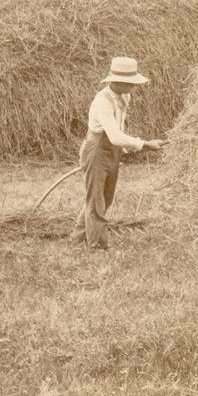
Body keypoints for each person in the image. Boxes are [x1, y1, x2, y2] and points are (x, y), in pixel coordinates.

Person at [68, 56, 165, 250]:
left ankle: (78, 240)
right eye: (129, 83)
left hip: (112, 149)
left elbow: (118, 129)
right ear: (116, 81)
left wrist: (126, 148)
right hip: (95, 150)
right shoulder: (101, 101)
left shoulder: (124, 97)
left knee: (105, 198)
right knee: (96, 200)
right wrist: (145, 144)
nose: (133, 87)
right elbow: (114, 135)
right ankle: (97, 246)